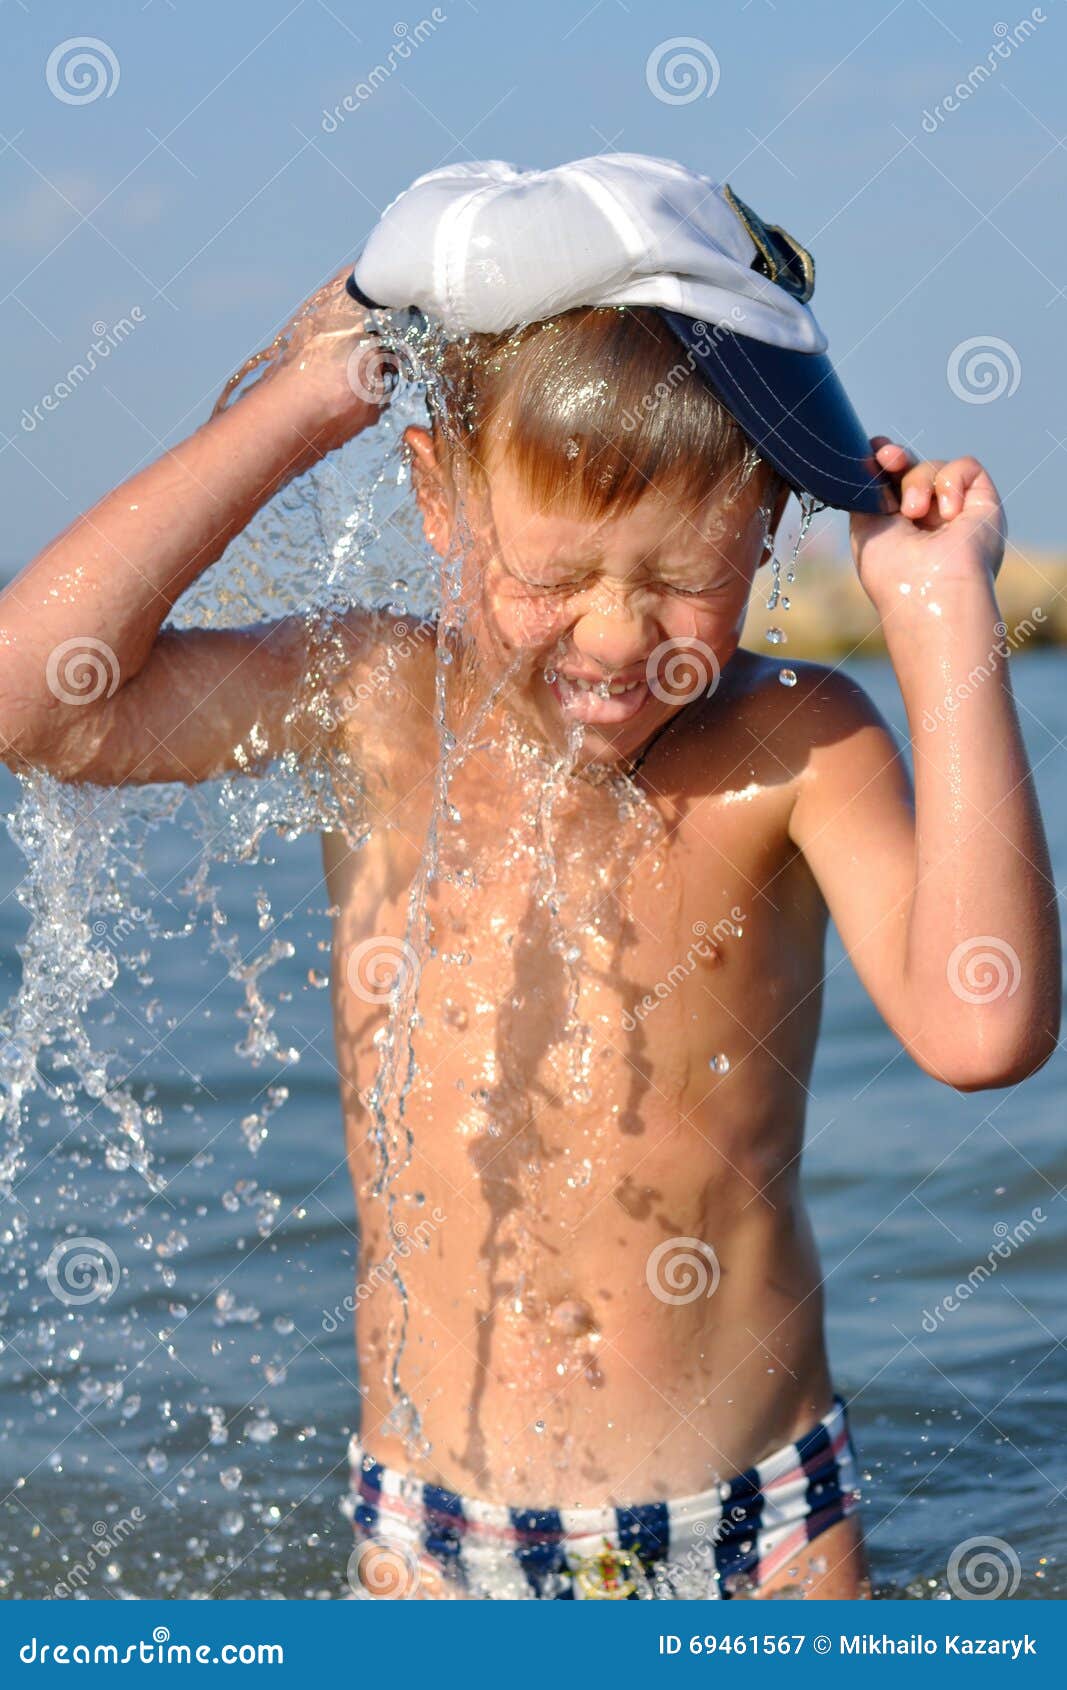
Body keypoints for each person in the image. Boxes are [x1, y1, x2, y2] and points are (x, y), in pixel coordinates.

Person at [0, 156, 1058, 1602]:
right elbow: (38, 704)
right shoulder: (375, 703)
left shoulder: (799, 742)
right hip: (437, 1544)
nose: (620, 639)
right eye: (557, 578)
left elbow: (983, 1028)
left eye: (683, 574)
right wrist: (299, 408)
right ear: (439, 496)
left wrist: (944, 634)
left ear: (763, 523)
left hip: (770, 1539)